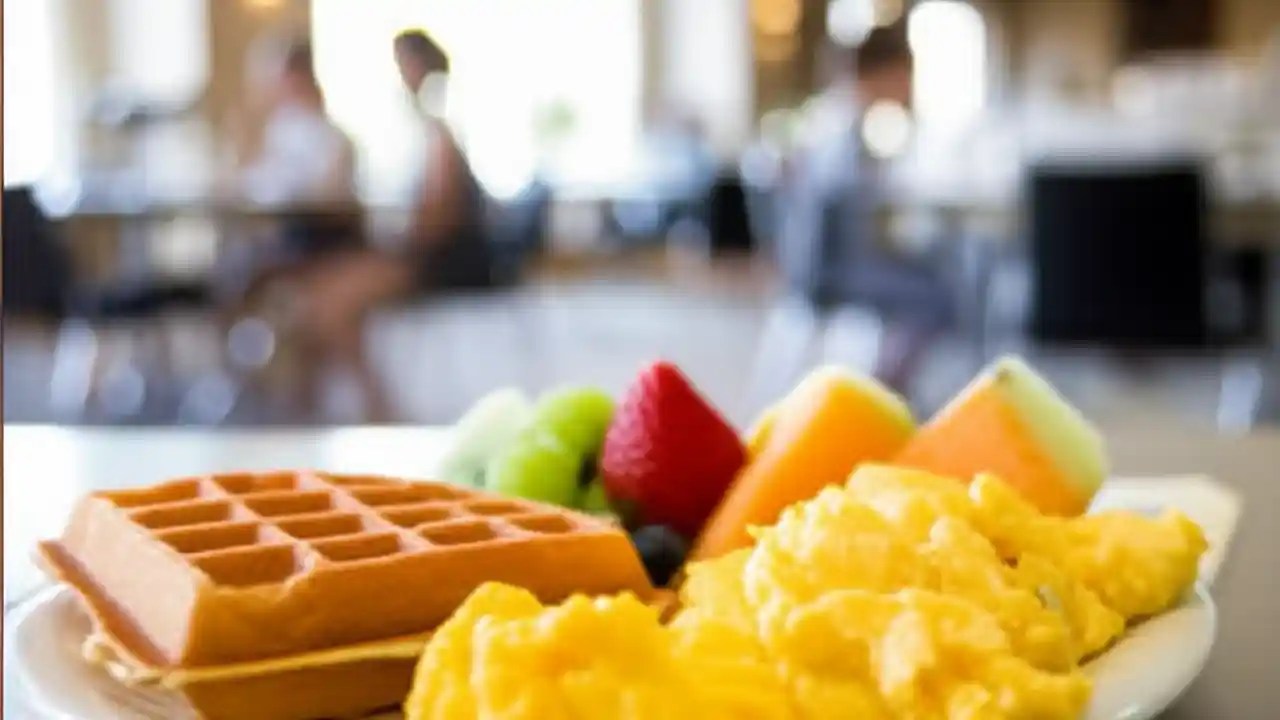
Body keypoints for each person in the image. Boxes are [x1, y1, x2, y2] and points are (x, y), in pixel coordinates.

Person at [284, 29, 489, 421]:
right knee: (312, 292)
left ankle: (375, 408)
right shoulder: (419, 131)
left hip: (439, 262)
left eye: (402, 65)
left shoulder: (438, 132)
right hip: (416, 251)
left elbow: (436, 221)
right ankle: (315, 405)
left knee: (329, 301)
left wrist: (389, 238)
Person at [776, 27, 952, 396]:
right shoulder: (842, 126)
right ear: (887, 73)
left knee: (926, 278)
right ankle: (886, 390)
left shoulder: (833, 116)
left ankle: (888, 385)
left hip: (818, 262)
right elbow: (845, 204)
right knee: (935, 296)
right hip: (829, 271)